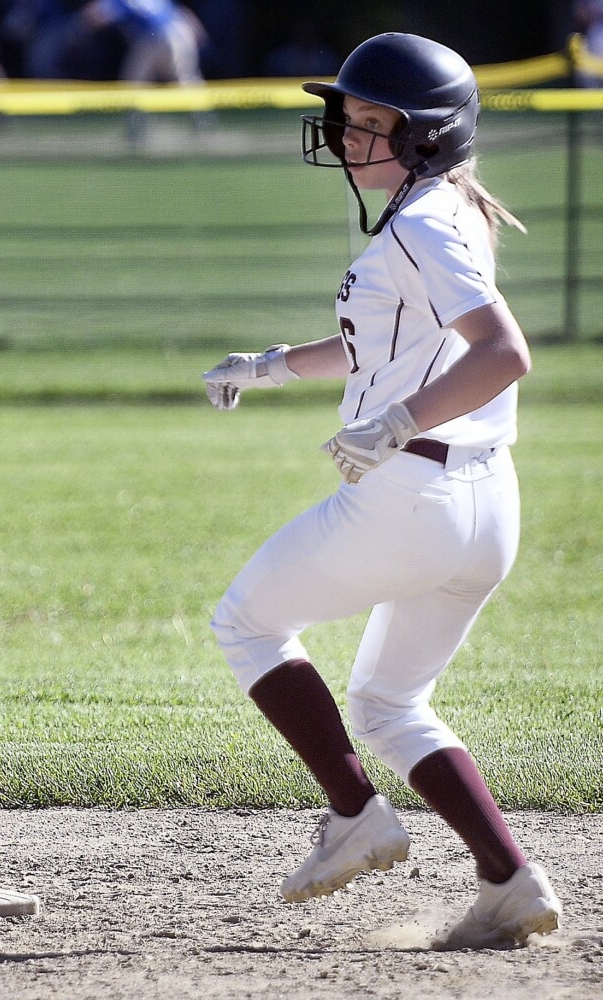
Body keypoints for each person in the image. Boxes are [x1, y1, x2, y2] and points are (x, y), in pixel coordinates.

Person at [201, 33, 561, 945]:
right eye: (350, 119)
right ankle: (510, 881)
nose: (350, 136)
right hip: (486, 508)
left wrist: (399, 423)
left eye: (371, 122)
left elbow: (504, 355)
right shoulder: (448, 210)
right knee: (391, 704)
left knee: (245, 622)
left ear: (427, 136)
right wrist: (272, 365)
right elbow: (382, 346)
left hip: (412, 498)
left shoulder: (425, 222)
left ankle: (357, 815)